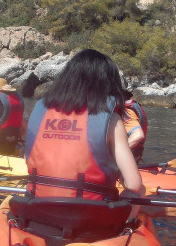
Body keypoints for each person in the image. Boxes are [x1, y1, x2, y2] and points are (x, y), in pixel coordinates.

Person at [24, 49, 144, 200]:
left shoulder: (40, 112)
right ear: (108, 85)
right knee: (140, 190)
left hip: (38, 209)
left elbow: (28, 157)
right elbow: (134, 185)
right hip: (88, 216)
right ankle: (128, 224)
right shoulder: (112, 121)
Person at [121, 90, 148, 163]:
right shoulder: (130, 107)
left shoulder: (127, 111)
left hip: (126, 161)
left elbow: (138, 135)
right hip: (133, 156)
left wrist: (118, 153)